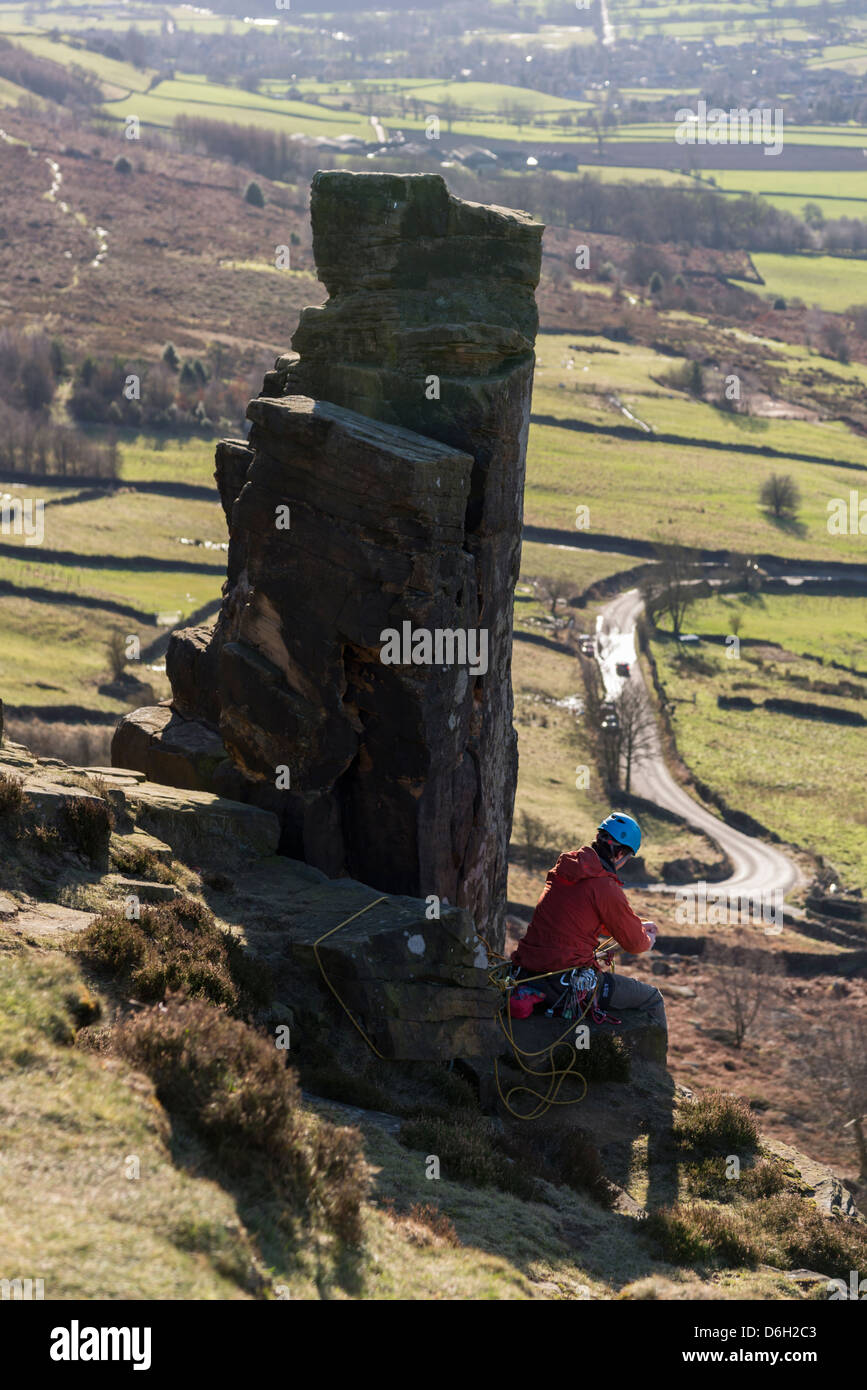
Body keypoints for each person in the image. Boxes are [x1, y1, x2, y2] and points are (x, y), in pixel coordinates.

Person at [511, 812, 667, 1031]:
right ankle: (654, 1065)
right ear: (620, 853)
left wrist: (637, 925)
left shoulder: (564, 870)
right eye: (628, 858)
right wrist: (646, 939)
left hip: (527, 969)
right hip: (565, 980)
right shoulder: (603, 886)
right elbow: (634, 943)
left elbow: (584, 915)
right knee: (652, 998)